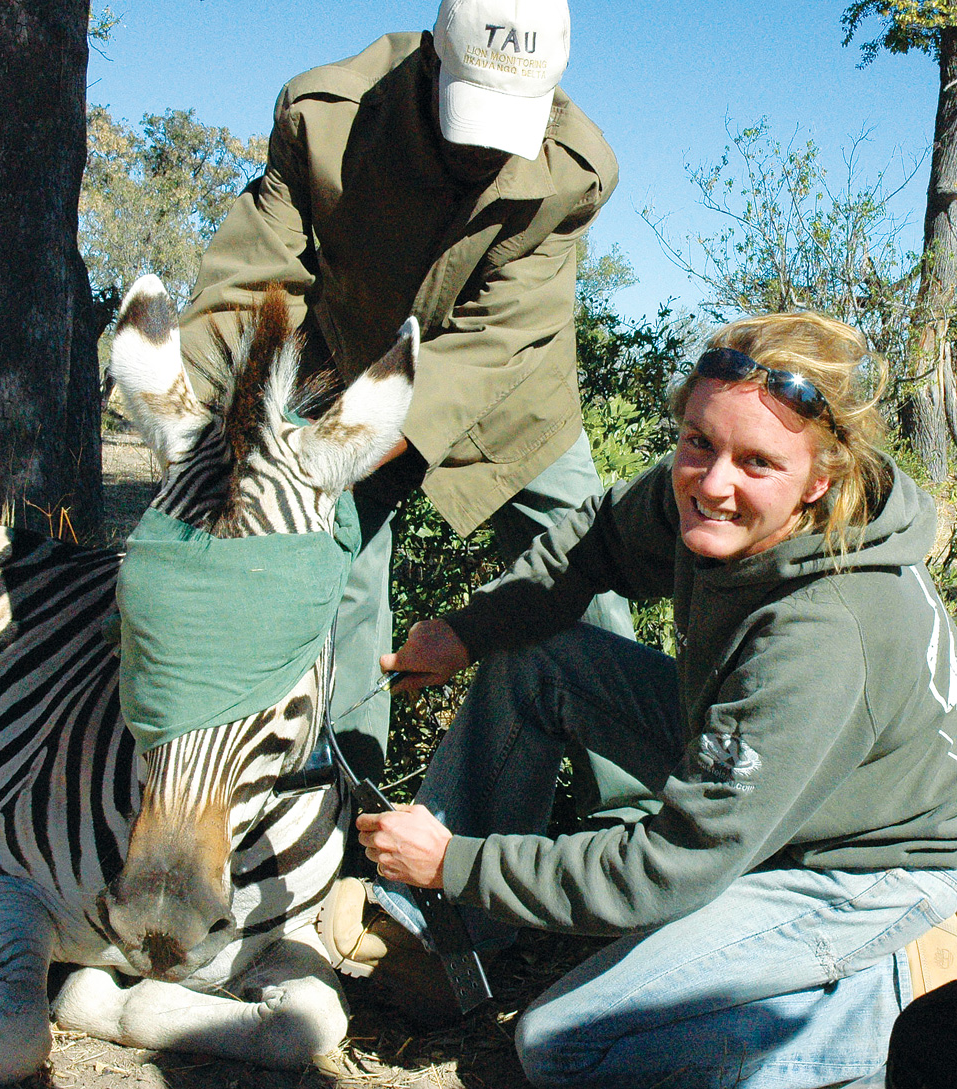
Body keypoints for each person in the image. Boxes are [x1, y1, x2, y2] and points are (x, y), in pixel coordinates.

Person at [338, 312, 957, 1086]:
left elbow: (671, 865)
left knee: (565, 1046)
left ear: (819, 478)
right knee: (536, 654)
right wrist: (466, 631)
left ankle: (889, 1004)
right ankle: (444, 939)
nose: (712, 483)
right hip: (772, 784)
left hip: (861, 865)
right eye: (697, 442)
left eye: (756, 462)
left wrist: (455, 860)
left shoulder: (822, 635)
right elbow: (597, 540)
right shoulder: (711, 492)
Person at [176, 0, 635, 788]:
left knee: (579, 575)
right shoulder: (324, 117)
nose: (484, 146)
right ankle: (343, 797)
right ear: (430, 59)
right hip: (349, 375)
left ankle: (628, 811)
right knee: (334, 581)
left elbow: (489, 346)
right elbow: (251, 285)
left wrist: (332, 455)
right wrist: (208, 427)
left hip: (511, 400)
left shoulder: (573, 170)